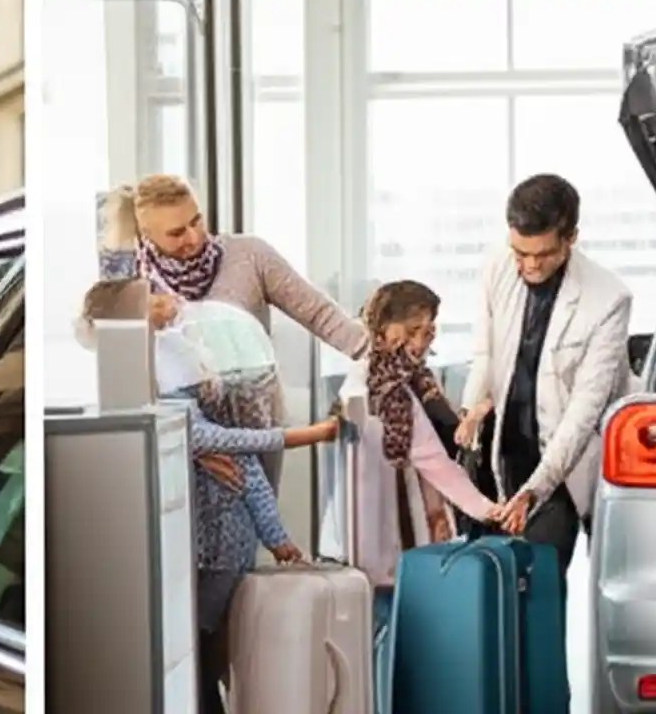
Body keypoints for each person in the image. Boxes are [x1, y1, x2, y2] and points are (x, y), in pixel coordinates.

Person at [81, 279, 334, 714]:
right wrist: (306, 437)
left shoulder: (170, 392)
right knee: (201, 645)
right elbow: (219, 445)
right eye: (152, 297)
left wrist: (276, 537)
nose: (168, 301)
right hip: (212, 550)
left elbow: (239, 464)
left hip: (217, 549)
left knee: (202, 644)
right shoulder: (170, 413)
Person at [97, 175, 368, 493]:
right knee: (183, 537)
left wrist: (383, 354)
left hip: (256, 421)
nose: (195, 236)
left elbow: (320, 313)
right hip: (180, 434)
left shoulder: (249, 255)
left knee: (259, 526)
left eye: (197, 220)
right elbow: (95, 342)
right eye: (176, 232)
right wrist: (140, 315)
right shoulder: (130, 281)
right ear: (147, 236)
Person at [456, 173, 633, 590]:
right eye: (521, 253)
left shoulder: (608, 299)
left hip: (559, 467)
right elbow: (485, 352)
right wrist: (470, 411)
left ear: (571, 237)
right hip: (501, 454)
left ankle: (543, 658)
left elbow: (583, 411)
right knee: (488, 589)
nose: (530, 265)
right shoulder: (497, 264)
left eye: (543, 254)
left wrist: (535, 491)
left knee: (540, 587)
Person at [340, 282, 500, 624]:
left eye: (428, 331)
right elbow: (435, 462)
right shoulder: (394, 390)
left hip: (363, 530)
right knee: (395, 623)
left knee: (378, 622)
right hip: (391, 529)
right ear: (383, 328)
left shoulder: (378, 376)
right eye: (413, 331)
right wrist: (488, 510)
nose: (421, 342)